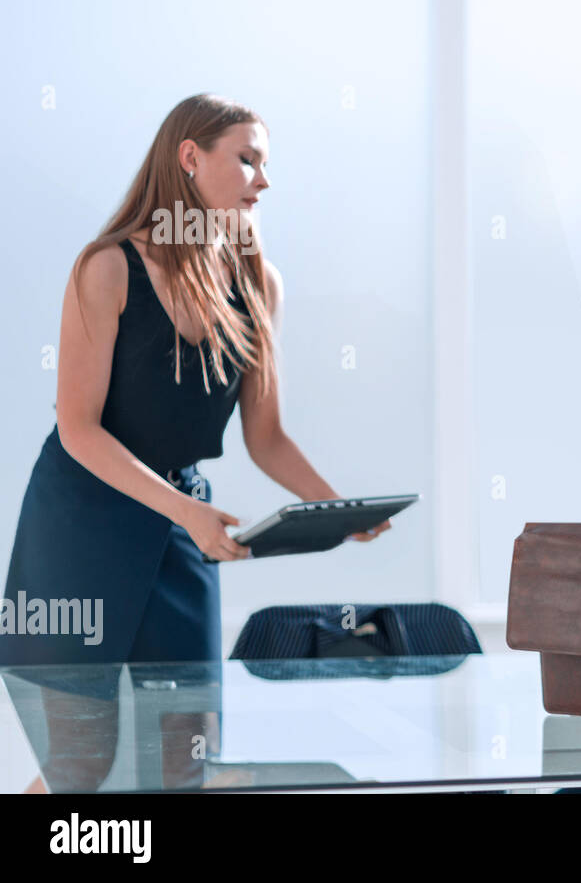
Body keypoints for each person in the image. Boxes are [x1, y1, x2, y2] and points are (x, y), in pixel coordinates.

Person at [1, 94, 391, 788]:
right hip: (77, 526)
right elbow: (78, 429)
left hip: (179, 534)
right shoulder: (107, 268)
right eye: (247, 159)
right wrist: (186, 512)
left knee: (188, 758)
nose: (263, 182)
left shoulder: (257, 284)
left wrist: (335, 509)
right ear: (190, 157)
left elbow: (265, 437)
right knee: (79, 764)